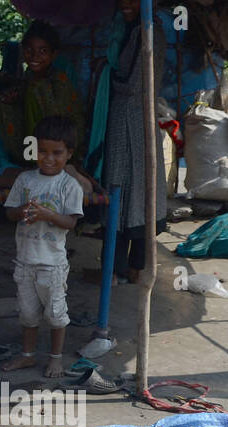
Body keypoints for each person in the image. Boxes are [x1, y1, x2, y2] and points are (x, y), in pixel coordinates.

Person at [90, 0, 167, 284]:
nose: (125, 4)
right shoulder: (133, 29)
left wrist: (104, 74)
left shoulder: (148, 32)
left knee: (124, 189)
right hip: (132, 116)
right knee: (132, 190)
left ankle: (123, 268)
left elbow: (133, 83)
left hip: (131, 118)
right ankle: (127, 266)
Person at [1, 116, 84, 378]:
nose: (48, 158)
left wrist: (48, 215)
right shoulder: (25, 180)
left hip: (52, 264)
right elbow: (9, 213)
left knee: (56, 314)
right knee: (27, 313)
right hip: (25, 261)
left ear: (69, 154)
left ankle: (56, 358)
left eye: (57, 153)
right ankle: (27, 355)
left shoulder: (69, 185)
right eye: (42, 151)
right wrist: (22, 211)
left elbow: (70, 222)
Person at [0, 20, 95, 197]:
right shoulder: (29, 76)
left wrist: (36, 90)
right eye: (29, 50)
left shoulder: (59, 79)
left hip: (61, 139)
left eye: (43, 51)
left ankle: (49, 160)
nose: (35, 56)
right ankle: (33, 156)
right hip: (36, 137)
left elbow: (60, 117)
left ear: (53, 54)